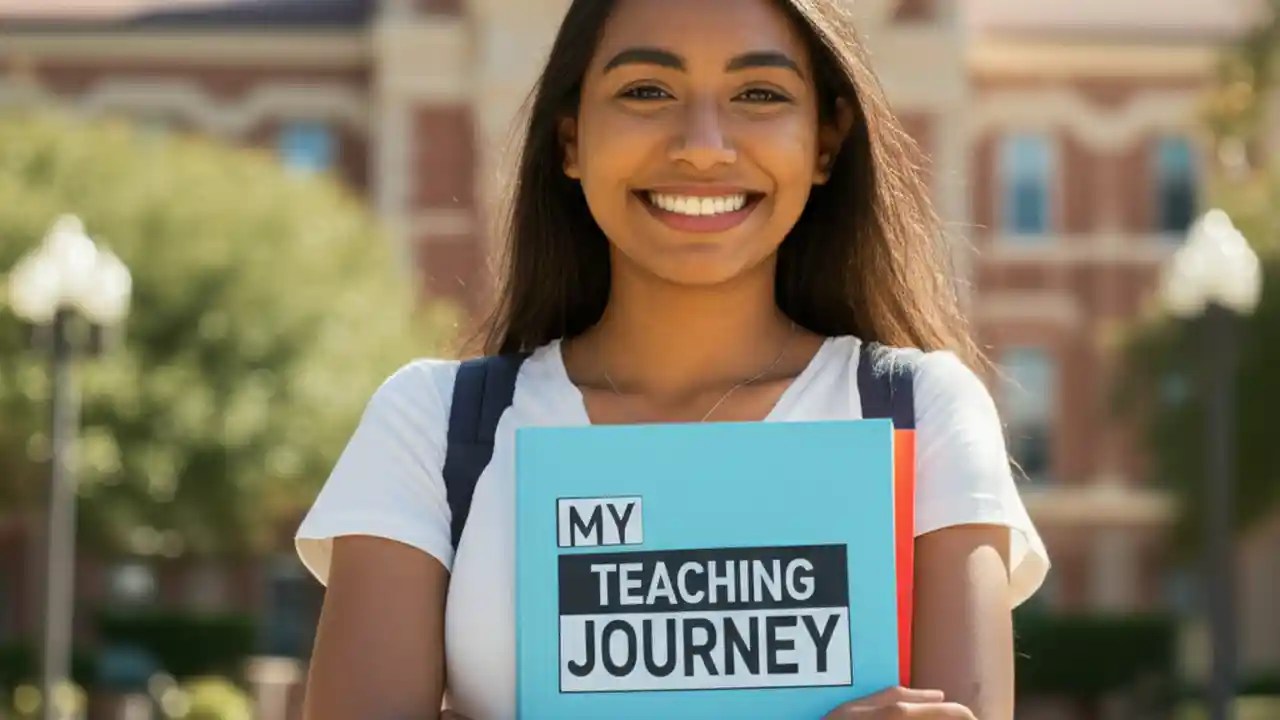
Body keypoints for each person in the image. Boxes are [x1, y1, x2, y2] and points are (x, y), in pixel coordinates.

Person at [295, 0, 1050, 717]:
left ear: (824, 143)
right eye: (647, 89)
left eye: (758, 93)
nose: (702, 145)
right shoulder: (432, 426)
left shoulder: (922, 413)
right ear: (570, 141)